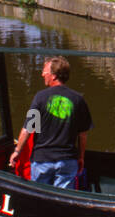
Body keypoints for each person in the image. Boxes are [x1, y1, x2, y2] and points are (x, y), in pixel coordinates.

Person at [9, 56, 92, 188]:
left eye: (45, 71)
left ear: (53, 76)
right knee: (63, 200)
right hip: (67, 160)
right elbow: (83, 134)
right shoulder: (78, 100)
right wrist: (81, 157)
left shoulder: (40, 97)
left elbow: (28, 128)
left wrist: (17, 151)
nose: (42, 74)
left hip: (43, 160)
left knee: (40, 197)